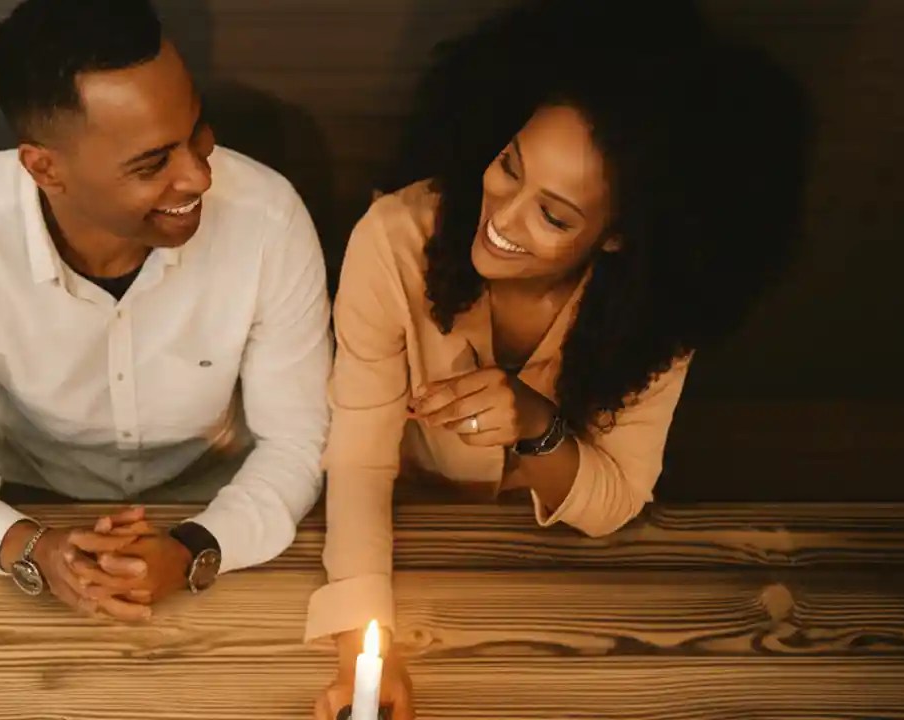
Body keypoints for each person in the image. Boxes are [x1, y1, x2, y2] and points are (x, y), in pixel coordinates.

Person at [307, 1, 809, 717]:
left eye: (554, 215)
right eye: (509, 167)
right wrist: (361, 662)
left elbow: (615, 504)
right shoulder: (395, 241)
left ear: (617, 238)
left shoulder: (653, 312)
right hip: (404, 533)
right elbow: (358, 461)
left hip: (541, 567)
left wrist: (537, 426)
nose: (502, 219)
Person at [0, 0, 331, 622]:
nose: (198, 177)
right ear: (44, 167)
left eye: (197, 134)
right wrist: (30, 548)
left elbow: (298, 441)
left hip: (224, 505)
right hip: (24, 500)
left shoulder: (268, 219)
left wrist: (197, 546)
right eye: (153, 162)